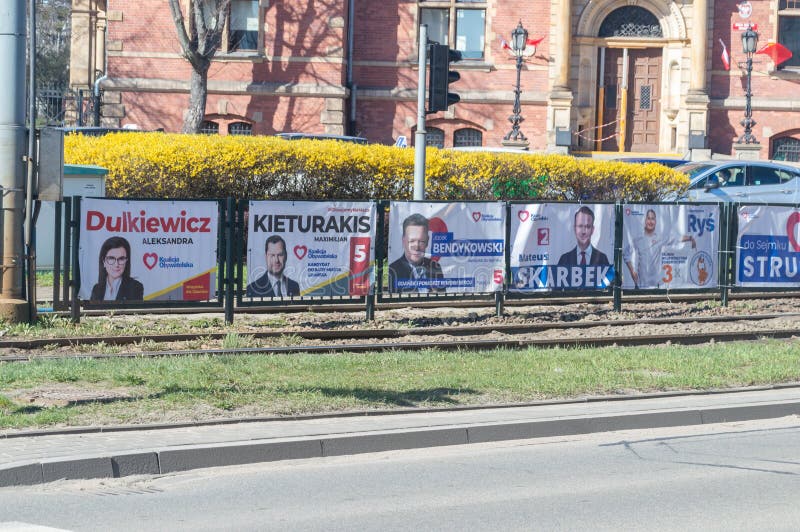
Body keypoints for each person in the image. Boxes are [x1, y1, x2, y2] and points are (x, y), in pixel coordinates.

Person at [623, 208, 696, 289]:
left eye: (653, 219)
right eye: (649, 218)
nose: (650, 221)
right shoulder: (638, 239)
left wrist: (690, 238)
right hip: (642, 285)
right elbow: (626, 254)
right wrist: (632, 271)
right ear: (645, 220)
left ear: (656, 221)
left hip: (656, 285)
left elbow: (676, 238)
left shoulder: (660, 238)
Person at [388, 213, 444, 293]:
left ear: (427, 241)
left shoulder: (435, 267)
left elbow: (442, 296)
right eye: (412, 241)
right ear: (403, 241)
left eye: (421, 241)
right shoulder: (393, 269)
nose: (416, 247)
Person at [90, 236, 144, 302]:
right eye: (111, 258)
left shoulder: (135, 287)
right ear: (104, 261)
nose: (116, 264)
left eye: (121, 259)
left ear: (126, 261)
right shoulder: (96, 289)